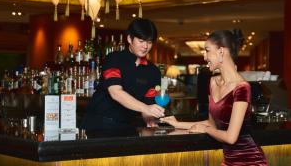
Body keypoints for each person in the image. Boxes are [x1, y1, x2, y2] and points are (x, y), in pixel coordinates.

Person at [161, 29, 268, 165]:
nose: (204, 57)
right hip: (229, 161)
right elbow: (212, 124)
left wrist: (205, 129)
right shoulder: (212, 82)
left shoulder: (242, 88)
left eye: (207, 50)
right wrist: (178, 124)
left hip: (250, 161)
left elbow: (230, 138)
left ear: (221, 52)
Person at [81, 18, 165, 132]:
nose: (145, 46)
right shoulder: (114, 59)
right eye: (141, 41)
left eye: (149, 42)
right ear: (129, 38)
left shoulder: (153, 72)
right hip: (99, 124)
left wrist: (150, 119)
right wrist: (146, 108)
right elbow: (115, 92)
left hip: (128, 127)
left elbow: (147, 106)